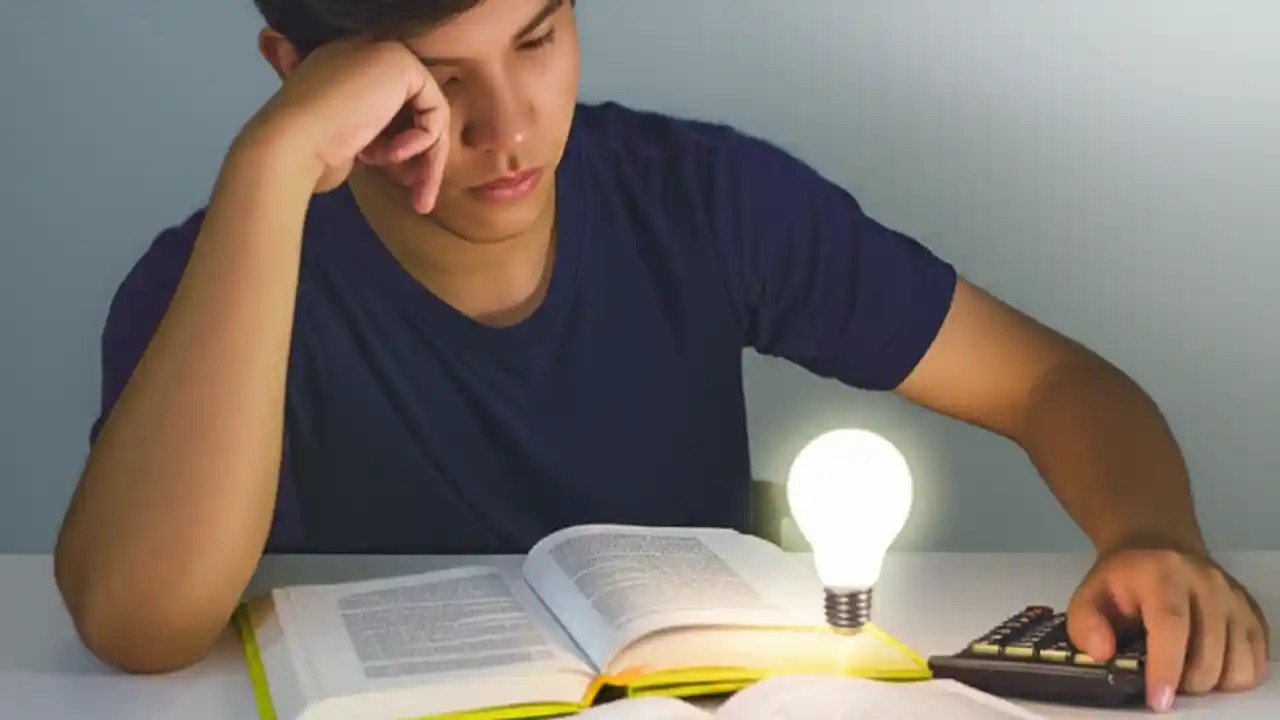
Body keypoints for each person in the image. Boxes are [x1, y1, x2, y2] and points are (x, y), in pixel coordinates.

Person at [52, 0, 1267, 711]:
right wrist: (269, 171)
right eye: (428, 86)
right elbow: (138, 628)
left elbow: (1054, 383)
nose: (508, 128)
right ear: (295, 82)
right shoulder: (215, 281)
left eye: (536, 36)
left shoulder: (700, 199)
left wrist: (1148, 535)